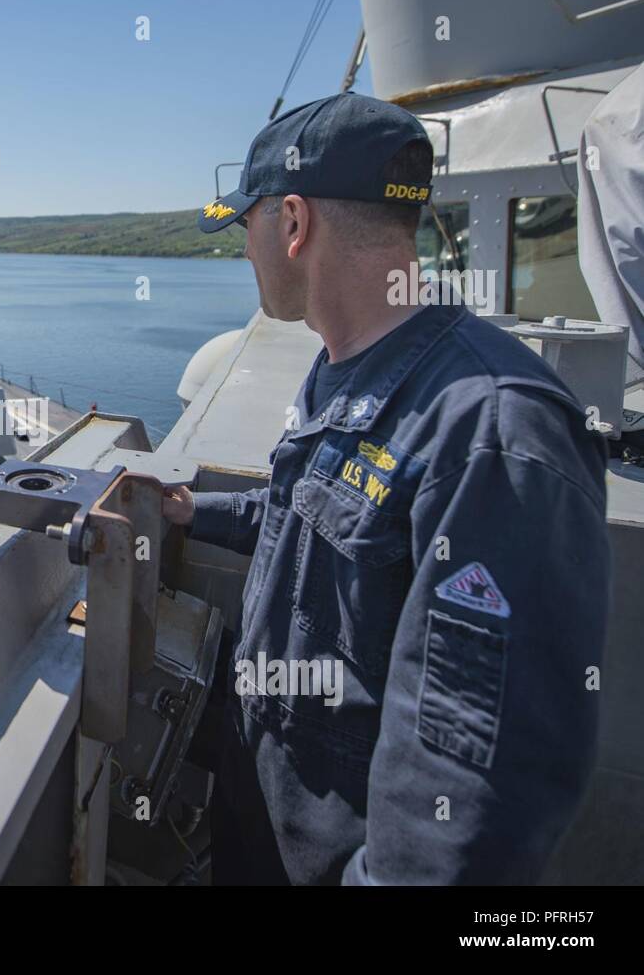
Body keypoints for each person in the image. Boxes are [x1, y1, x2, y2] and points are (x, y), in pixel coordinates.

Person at [163, 92, 610, 886]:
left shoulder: (494, 431)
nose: (244, 253)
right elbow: (309, 514)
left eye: (248, 227)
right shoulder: (350, 361)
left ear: (294, 225)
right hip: (261, 826)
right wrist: (198, 511)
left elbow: (470, 793)